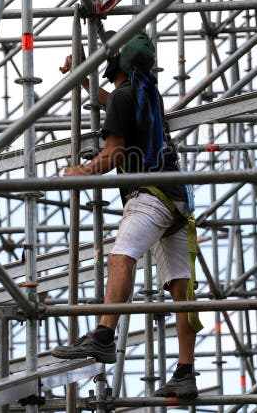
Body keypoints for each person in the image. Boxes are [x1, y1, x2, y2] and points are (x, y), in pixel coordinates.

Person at [52, 30, 201, 399]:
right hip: (178, 198)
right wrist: (85, 84)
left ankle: (104, 335)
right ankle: (185, 372)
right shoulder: (148, 93)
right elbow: (115, 106)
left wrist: (80, 172)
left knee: (122, 257)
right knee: (181, 287)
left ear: (117, 61)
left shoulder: (124, 95)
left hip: (148, 195)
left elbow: (115, 154)